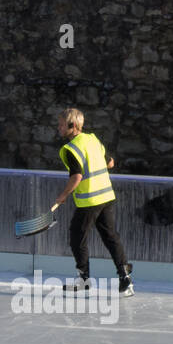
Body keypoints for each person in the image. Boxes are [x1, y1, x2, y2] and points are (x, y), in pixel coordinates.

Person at [51, 108, 133, 296]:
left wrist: (63, 196)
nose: (58, 128)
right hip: (106, 196)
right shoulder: (92, 140)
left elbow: (77, 176)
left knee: (77, 238)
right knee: (111, 237)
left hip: (90, 200)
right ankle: (126, 280)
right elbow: (110, 162)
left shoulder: (70, 148)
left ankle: (84, 280)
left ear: (72, 126)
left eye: (61, 125)